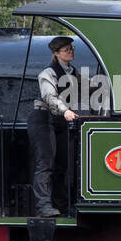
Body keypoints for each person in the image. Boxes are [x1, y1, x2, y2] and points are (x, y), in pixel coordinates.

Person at [28, 35, 80, 218]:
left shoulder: (73, 72)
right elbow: (49, 97)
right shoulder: (47, 74)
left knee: (63, 166)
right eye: (67, 50)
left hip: (61, 121)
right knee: (46, 164)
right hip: (43, 119)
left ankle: (62, 206)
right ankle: (43, 206)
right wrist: (65, 110)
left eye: (72, 48)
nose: (71, 51)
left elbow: (85, 88)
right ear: (57, 53)